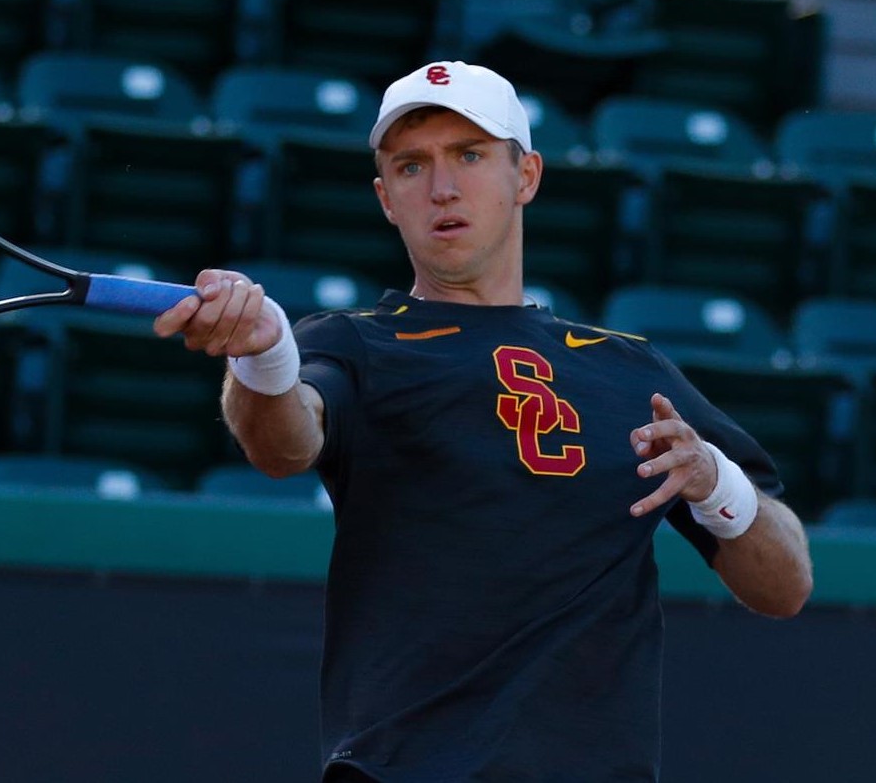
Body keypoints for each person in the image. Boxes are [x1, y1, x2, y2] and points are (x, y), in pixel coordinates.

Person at [154, 61, 813, 782]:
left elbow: (784, 586)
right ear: (386, 198)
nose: (442, 188)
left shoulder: (631, 369)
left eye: (469, 156)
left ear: (524, 176)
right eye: (412, 166)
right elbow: (285, 442)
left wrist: (716, 483)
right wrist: (265, 356)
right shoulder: (357, 343)